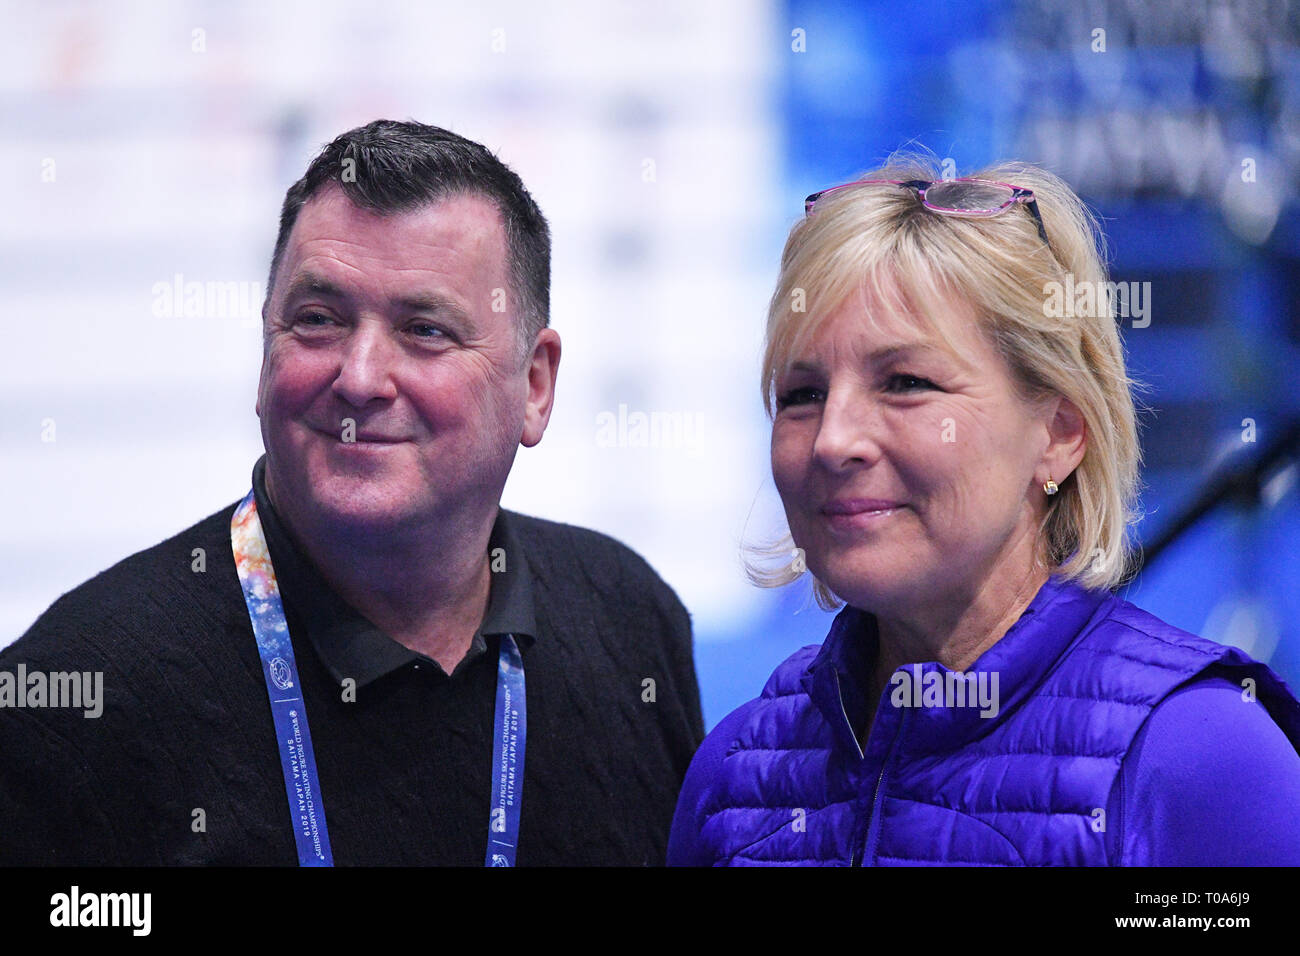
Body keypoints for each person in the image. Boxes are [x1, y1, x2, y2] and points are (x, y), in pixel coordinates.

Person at [0, 119, 704, 866]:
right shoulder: (79, 698)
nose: (360, 378)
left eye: (425, 330)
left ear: (534, 385)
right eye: (318, 321)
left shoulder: (630, 623)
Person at [668, 159, 1300, 866]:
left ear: (1061, 431)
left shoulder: (1199, 757)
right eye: (801, 394)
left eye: (906, 383)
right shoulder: (733, 773)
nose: (834, 438)